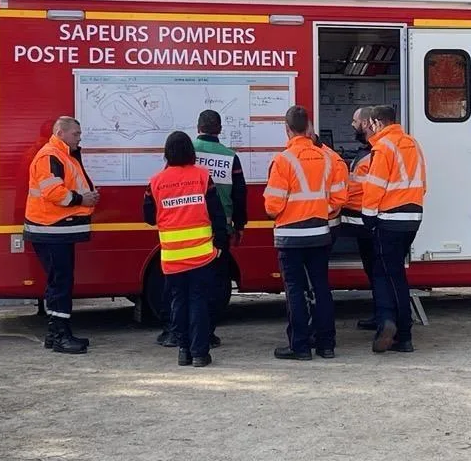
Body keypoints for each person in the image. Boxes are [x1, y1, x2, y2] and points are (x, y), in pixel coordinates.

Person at [157, 109, 247, 348]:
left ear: (198, 128)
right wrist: (240, 225)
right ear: (219, 129)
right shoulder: (230, 157)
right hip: (219, 232)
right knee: (213, 287)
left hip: (183, 229)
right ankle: (207, 333)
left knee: (177, 289)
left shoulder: (182, 155)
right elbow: (240, 194)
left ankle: (176, 332)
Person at [143, 131, 229, 368]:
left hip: (172, 256)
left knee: (177, 303)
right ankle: (200, 353)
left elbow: (149, 217)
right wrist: (220, 243)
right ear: (191, 152)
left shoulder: (156, 181)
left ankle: (183, 350)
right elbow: (217, 213)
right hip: (201, 255)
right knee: (199, 302)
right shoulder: (202, 177)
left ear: (166, 153)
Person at [264, 106, 342, 360]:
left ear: (287, 130)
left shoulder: (283, 160)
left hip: (290, 236)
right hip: (320, 232)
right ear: (308, 128)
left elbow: (272, 206)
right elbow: (337, 196)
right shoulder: (326, 157)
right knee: (321, 287)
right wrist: (321, 210)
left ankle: (300, 347)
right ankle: (326, 345)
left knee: (295, 291)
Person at [24, 116, 99, 354]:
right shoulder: (50, 156)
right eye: (76, 133)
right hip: (50, 229)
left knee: (60, 281)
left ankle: (58, 333)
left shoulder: (63, 155)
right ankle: (59, 335)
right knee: (60, 283)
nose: (79, 137)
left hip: (55, 229)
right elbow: (54, 192)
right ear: (61, 132)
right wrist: (82, 199)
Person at [362, 104, 427, 353]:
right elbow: (423, 183)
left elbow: (375, 187)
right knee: (395, 271)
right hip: (413, 217)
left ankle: (394, 326)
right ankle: (401, 333)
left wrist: (368, 217)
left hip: (389, 218)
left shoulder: (383, 148)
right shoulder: (413, 144)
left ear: (377, 123)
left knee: (384, 274)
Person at [340, 106, 378, 330]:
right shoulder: (368, 152)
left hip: (368, 219)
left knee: (375, 270)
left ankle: (381, 316)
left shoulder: (374, 154)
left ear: (365, 123)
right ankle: (379, 314)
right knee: (372, 269)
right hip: (364, 217)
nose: (352, 125)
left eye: (355, 121)